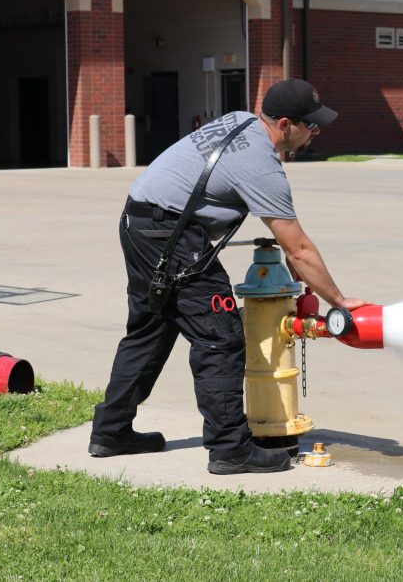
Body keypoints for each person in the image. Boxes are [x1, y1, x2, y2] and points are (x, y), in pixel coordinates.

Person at [88, 78, 368, 474]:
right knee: (220, 335)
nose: (315, 132)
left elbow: (292, 252)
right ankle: (230, 449)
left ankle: (111, 431)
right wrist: (340, 301)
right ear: (286, 124)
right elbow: (298, 248)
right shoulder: (261, 165)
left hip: (139, 220)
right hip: (171, 233)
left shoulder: (241, 121)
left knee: (151, 327)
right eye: (311, 125)